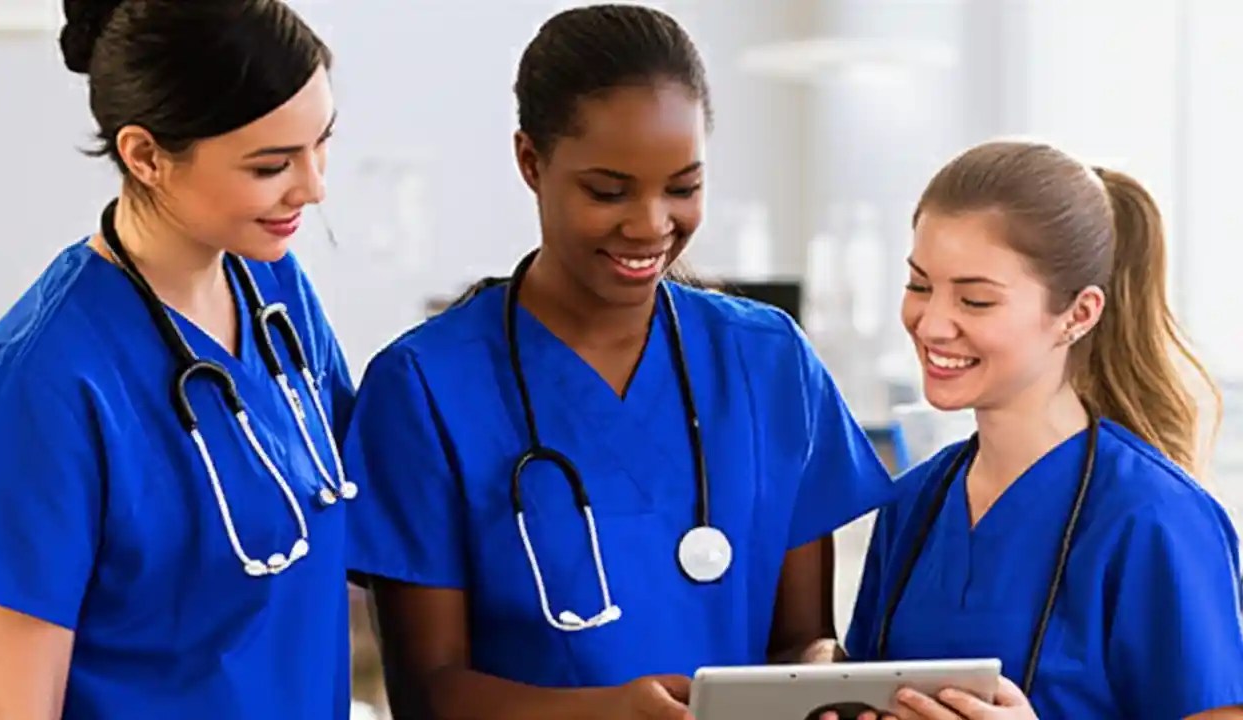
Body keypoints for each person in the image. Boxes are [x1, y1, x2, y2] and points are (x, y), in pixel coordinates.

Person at [342, 4, 896, 719]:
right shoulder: (425, 388)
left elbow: (802, 644)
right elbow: (429, 692)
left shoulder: (769, 363)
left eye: (684, 187)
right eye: (608, 191)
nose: (651, 225)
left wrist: (837, 686)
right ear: (531, 161)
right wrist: (605, 712)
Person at [0, 1, 359, 718]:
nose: (313, 187)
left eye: (319, 144)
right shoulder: (42, 383)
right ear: (144, 155)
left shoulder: (273, 287)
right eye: (272, 165)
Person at [834, 141, 1243, 720]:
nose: (931, 323)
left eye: (975, 300)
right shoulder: (913, 504)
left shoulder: (1154, 517)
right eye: (920, 285)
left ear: (1078, 314)